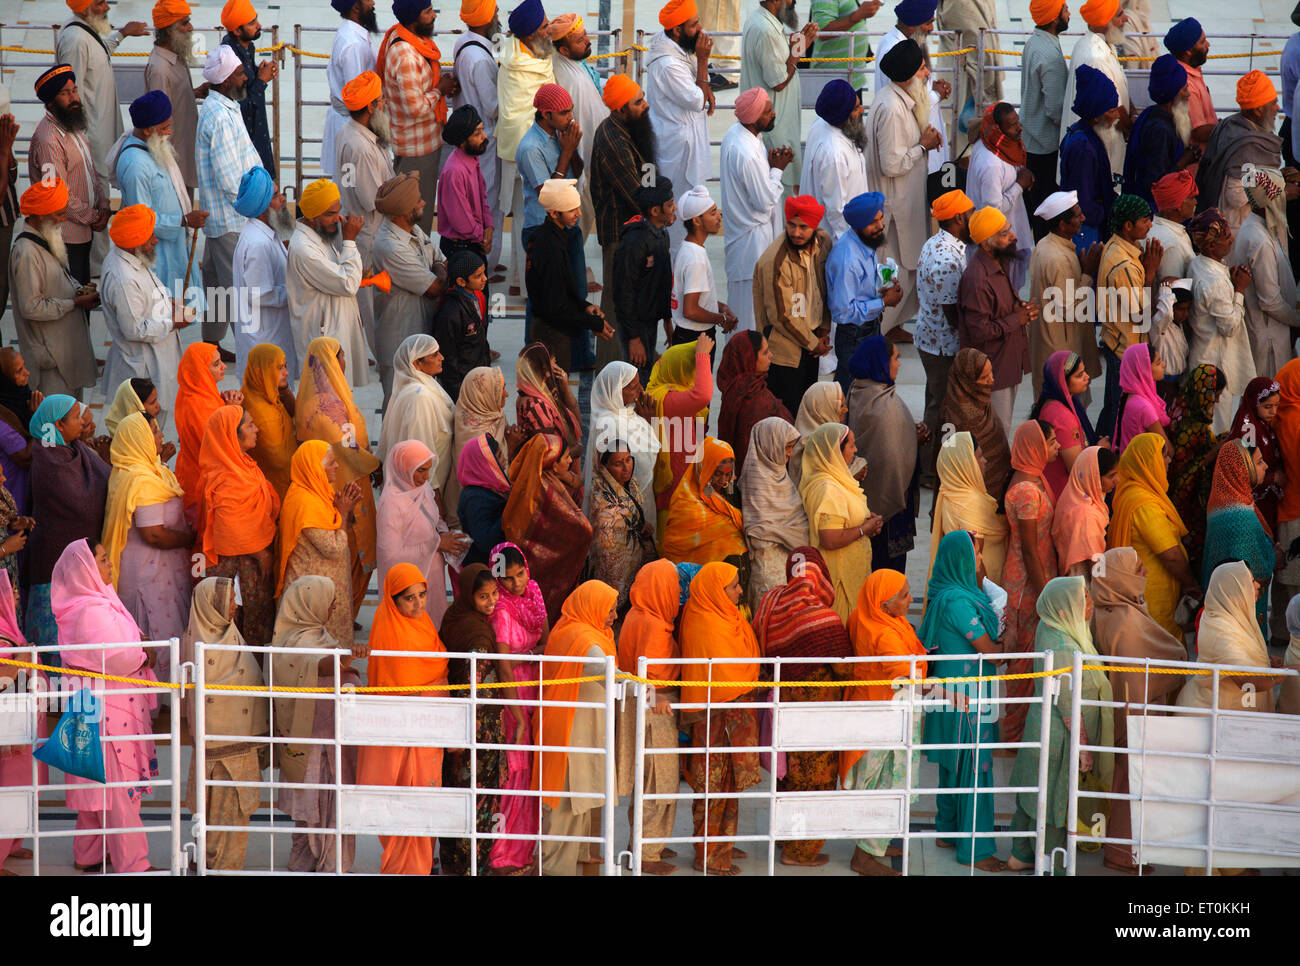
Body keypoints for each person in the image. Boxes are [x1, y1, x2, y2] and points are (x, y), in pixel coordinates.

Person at [53, 539, 157, 874]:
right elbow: (119, 655)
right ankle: (133, 864)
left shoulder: (92, 604)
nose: (109, 564)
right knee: (119, 791)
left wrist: (140, 648)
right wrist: (145, 654)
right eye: (102, 559)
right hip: (107, 713)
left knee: (97, 789)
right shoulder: (89, 611)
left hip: (94, 707)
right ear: (85, 569)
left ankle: (89, 855)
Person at [1088, 545, 1188, 872]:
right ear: (1119, 576)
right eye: (1138, 568)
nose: (1144, 574)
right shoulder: (1125, 620)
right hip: (1134, 714)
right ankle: (1124, 855)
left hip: (1122, 711)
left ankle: (1125, 850)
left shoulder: (1108, 608)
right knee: (1134, 781)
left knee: (1128, 780)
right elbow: (1165, 661)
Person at [1006, 576, 1114, 873]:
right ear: (1064, 609)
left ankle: (1022, 854)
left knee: (1035, 795)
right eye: (1084, 600)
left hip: (1047, 730)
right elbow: (1067, 702)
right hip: (1061, 739)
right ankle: (1047, 860)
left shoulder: (1051, 626)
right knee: (1054, 800)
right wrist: (1084, 749)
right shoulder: (1062, 644)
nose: (1090, 605)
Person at [754, 546, 851, 867]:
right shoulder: (823, 618)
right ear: (819, 574)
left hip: (782, 711)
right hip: (816, 722)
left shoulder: (770, 604)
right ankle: (800, 852)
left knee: (788, 777)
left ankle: (784, 837)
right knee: (815, 781)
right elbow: (844, 669)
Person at [919, 530, 1007, 871]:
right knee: (974, 768)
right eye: (974, 555)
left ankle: (947, 830)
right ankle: (977, 849)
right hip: (965, 699)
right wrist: (1006, 640)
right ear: (962, 561)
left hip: (948, 692)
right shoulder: (958, 601)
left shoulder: (943, 592)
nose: (978, 561)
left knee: (952, 766)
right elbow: (992, 651)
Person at [357, 562, 449, 874]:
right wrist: (431, 688)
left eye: (422, 595)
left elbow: (437, 671)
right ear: (393, 599)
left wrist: (433, 688)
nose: (419, 603)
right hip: (399, 732)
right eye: (410, 598)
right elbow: (399, 681)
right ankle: (402, 867)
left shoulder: (425, 624)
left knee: (425, 799)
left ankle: (421, 866)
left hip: (426, 731)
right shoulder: (387, 628)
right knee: (399, 800)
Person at [268, 574, 359, 873]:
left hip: (330, 738)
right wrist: (345, 658)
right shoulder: (294, 640)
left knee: (330, 799)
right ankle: (312, 858)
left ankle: (330, 860)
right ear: (311, 603)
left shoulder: (319, 634)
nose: (333, 607)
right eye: (329, 600)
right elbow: (315, 663)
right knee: (311, 802)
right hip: (311, 742)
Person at [841, 567, 926, 876]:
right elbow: (910, 675)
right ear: (884, 605)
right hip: (884, 716)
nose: (911, 598)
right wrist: (951, 691)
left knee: (875, 779)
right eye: (903, 595)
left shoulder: (865, 617)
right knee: (884, 781)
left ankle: (874, 841)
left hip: (870, 708)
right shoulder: (885, 633)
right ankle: (863, 858)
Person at [181, 574, 267, 870]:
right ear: (212, 605)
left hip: (238, 751)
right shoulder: (194, 643)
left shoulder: (230, 633)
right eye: (229, 600)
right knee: (215, 821)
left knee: (229, 822)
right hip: (219, 751)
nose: (235, 605)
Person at [679, 561, 761, 875]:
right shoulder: (705, 622)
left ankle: (722, 842)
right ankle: (709, 855)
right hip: (714, 718)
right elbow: (728, 673)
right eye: (734, 586)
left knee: (728, 784)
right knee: (713, 784)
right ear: (716, 590)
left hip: (726, 715)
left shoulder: (721, 615)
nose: (740, 591)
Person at [536, 579, 617, 876]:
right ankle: (556, 870)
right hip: (570, 733)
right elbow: (605, 669)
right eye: (609, 609)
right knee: (566, 806)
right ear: (592, 606)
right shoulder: (581, 637)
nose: (614, 616)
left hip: (576, 730)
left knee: (575, 803)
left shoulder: (579, 629)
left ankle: (576, 860)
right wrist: (639, 681)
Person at [296, 337, 379, 610]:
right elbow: (349, 451)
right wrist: (376, 463)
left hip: (329, 486)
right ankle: (342, 613)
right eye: (341, 356)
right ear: (334, 361)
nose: (345, 362)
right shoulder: (328, 406)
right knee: (352, 551)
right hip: (345, 488)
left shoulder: (308, 397)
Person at [102, 411, 192, 660]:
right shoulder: (141, 480)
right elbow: (153, 534)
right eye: (154, 431)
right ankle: (159, 698)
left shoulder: (146, 471)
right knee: (159, 643)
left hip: (161, 576)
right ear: (139, 438)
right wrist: (189, 539)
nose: (161, 434)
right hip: (150, 580)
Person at [867, 39, 941, 339]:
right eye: (923, 68)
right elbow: (891, 164)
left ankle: (893, 326)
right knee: (896, 271)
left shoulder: (899, 99)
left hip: (907, 201)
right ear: (910, 75)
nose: (926, 74)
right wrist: (922, 147)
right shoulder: (892, 109)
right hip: (895, 208)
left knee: (908, 268)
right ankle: (878, 331)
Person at [437, 561, 506, 876]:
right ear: (469, 596)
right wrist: (473, 732)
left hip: (456, 724)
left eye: (494, 594)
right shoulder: (477, 633)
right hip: (477, 729)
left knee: (456, 793)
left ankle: (452, 862)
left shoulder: (454, 617)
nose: (491, 602)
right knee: (478, 799)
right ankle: (473, 867)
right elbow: (474, 688)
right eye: (484, 597)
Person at [614, 558, 682, 875]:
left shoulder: (635, 616)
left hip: (640, 705)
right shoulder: (654, 625)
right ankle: (647, 853)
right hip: (656, 709)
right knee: (660, 781)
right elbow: (650, 674)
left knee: (647, 780)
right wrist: (656, 699)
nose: (678, 590)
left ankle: (642, 842)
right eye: (674, 584)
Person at [112, 91, 206, 311]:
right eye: (164, 127)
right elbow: (141, 222)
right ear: (147, 130)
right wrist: (183, 220)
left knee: (175, 314)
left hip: (172, 248)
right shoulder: (136, 165)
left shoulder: (150, 148)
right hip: (157, 255)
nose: (169, 132)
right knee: (161, 312)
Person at [26, 398, 110, 642]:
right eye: (75, 417)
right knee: (55, 642)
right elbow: (80, 504)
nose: (83, 421)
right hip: (53, 561)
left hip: (79, 559)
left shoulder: (73, 447)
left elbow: (103, 479)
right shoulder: (48, 455)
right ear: (58, 425)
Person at [197, 405, 282, 645]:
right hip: (235, 569)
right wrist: (261, 554)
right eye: (249, 425)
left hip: (251, 567)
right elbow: (227, 530)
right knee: (233, 631)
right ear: (231, 436)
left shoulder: (243, 465)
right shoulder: (223, 477)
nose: (257, 429)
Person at [195, 46, 260, 358]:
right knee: (239, 293)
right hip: (231, 219)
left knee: (217, 286)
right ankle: (252, 353)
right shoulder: (219, 117)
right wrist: (257, 206)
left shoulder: (224, 106)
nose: (244, 76)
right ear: (224, 80)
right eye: (238, 73)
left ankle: (210, 346)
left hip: (224, 219)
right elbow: (231, 180)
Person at [99, 206, 190, 426]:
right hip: (144, 369)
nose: (155, 241)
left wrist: (171, 304)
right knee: (145, 437)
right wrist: (173, 322)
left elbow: (147, 297)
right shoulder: (124, 278)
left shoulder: (133, 258)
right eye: (149, 236)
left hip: (157, 363)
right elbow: (135, 329)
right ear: (134, 241)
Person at [486, 540, 546, 874]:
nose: (516, 583)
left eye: (520, 573)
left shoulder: (534, 595)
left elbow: (546, 640)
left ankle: (524, 849)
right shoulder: (501, 609)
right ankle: (504, 854)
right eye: (507, 579)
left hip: (535, 687)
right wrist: (517, 716)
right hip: (514, 696)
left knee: (531, 770)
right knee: (515, 770)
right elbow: (505, 666)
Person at [8, 179, 98, 397]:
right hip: (51, 357)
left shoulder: (47, 236)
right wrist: (74, 303)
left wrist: (78, 289)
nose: (64, 219)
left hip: (66, 351)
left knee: (75, 421)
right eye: (59, 214)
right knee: (59, 423)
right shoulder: (26, 253)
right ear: (39, 216)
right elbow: (31, 307)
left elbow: (58, 279)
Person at [1001, 420, 1061, 743]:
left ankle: (1018, 735)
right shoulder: (1026, 490)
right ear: (1035, 447)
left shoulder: (1031, 476)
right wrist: (1045, 594)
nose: (1057, 447)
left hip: (1031, 579)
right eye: (1051, 442)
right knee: (1023, 666)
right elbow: (1028, 549)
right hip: (1026, 584)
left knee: (1027, 660)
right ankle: (1012, 737)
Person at [1109, 432, 1198, 638]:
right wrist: (1190, 583)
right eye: (1163, 456)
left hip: (1145, 594)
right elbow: (1171, 554)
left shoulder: (1132, 492)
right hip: (1152, 598)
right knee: (1158, 654)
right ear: (1148, 462)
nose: (1169, 460)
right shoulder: (1144, 504)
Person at [277, 441, 361, 655]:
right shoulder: (305, 504)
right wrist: (342, 513)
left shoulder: (319, 493)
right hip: (311, 599)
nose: (337, 467)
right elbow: (333, 548)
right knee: (316, 663)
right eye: (331, 462)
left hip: (326, 596)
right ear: (314, 467)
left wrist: (345, 510)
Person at [848, 335, 924, 572]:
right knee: (888, 575)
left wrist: (911, 436)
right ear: (880, 363)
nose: (899, 364)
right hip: (890, 509)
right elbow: (890, 456)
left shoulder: (858, 391)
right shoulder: (884, 406)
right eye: (895, 358)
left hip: (867, 506)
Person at [27, 67, 109, 285]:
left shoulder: (73, 126)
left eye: (74, 90)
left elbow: (90, 172)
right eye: (65, 93)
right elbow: (57, 196)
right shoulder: (49, 140)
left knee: (83, 293)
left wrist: (103, 205)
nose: (74, 98)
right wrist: (93, 216)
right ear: (51, 102)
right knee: (72, 296)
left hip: (84, 230)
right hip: (66, 236)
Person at [496, 0, 555, 296]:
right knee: (531, 216)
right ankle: (530, 284)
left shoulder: (519, 55)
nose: (550, 30)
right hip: (528, 150)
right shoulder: (517, 65)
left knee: (524, 215)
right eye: (545, 26)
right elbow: (516, 111)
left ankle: (519, 281)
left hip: (520, 147)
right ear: (531, 34)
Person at [591, 74, 654, 351]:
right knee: (616, 307)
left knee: (631, 301)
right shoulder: (614, 141)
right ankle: (610, 374)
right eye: (638, 102)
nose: (646, 105)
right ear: (620, 109)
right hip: (619, 235)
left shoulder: (629, 128)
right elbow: (638, 194)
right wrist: (661, 207)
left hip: (631, 232)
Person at [378, 0, 452, 235]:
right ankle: (416, 268)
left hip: (420, 143)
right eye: (428, 12)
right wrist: (440, 89)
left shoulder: (406, 37)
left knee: (417, 212)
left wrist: (440, 87)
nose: (433, 16)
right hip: (416, 149)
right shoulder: (406, 54)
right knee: (416, 216)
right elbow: (416, 107)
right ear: (413, 19)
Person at [371, 172, 447, 403]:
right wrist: (439, 271)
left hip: (420, 338)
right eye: (418, 201)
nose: (424, 203)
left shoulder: (412, 229)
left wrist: (439, 268)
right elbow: (435, 287)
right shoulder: (390, 246)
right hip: (399, 343)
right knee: (398, 407)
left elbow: (441, 260)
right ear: (405, 211)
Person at [645, 0, 714, 252]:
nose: (700, 28)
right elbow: (697, 99)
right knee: (677, 213)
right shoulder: (668, 64)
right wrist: (703, 61)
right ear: (676, 30)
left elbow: (699, 88)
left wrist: (705, 83)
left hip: (683, 144)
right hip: (676, 150)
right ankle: (675, 277)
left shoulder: (676, 47)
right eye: (694, 25)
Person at [754, 196, 832, 417]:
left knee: (805, 412)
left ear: (815, 227)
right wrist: (813, 343)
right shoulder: (776, 261)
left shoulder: (823, 243)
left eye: (803, 227)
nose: (796, 233)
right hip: (784, 353)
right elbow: (781, 316)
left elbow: (823, 288)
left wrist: (823, 328)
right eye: (791, 225)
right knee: (786, 416)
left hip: (812, 343)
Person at [335, 70, 395, 355]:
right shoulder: (361, 147)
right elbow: (374, 199)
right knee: (371, 301)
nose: (384, 105)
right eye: (380, 101)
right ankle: (378, 353)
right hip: (369, 230)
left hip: (358, 225)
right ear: (370, 107)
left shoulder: (349, 132)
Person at [915, 190, 974, 483]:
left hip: (932, 340)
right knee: (942, 410)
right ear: (960, 218)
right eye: (971, 212)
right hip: (942, 345)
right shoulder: (947, 258)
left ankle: (928, 465)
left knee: (935, 405)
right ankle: (929, 471)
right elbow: (951, 310)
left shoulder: (937, 243)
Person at [958, 206, 1035, 429]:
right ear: (985, 243)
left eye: (1009, 229)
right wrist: (1016, 319)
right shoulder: (977, 278)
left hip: (1006, 364)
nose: (1013, 236)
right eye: (1004, 233)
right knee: (994, 437)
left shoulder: (998, 262)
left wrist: (1019, 309)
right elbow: (979, 331)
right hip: (992, 372)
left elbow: (997, 309)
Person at [56, 1, 146, 189]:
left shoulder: (85, 31)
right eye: (100, 3)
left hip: (99, 136)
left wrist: (122, 34)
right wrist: (77, 144)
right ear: (84, 8)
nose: (107, 7)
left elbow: (99, 51)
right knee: (96, 198)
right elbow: (70, 93)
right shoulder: (75, 40)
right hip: (91, 140)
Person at [525, 178, 614, 369]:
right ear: (554, 213)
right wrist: (593, 323)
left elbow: (562, 290)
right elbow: (555, 307)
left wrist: (584, 306)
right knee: (551, 390)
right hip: (550, 332)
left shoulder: (552, 236)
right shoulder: (549, 246)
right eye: (572, 210)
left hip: (552, 327)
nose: (579, 214)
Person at [286, 179, 368, 386]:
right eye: (330, 214)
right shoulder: (305, 249)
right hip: (323, 335)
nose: (338, 219)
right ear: (312, 217)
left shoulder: (319, 235)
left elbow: (341, 275)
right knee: (327, 402)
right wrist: (349, 240)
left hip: (334, 331)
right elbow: (347, 284)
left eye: (338, 211)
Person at [503, 434, 592, 620]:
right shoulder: (547, 491)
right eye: (566, 457)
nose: (570, 461)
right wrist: (563, 493)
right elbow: (584, 529)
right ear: (552, 463)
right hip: (545, 574)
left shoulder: (529, 481)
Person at [1097, 194, 1164, 441]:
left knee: (1112, 409)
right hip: (1124, 351)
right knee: (1118, 414)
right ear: (1128, 226)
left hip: (1118, 344)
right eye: (1145, 221)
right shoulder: (1124, 265)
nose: (1150, 226)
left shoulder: (1120, 247)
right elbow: (1140, 316)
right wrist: (1151, 273)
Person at [379, 440, 467, 626]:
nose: (426, 477)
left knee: (432, 626)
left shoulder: (422, 489)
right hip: (409, 586)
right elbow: (391, 555)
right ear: (404, 468)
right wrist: (436, 544)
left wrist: (445, 534)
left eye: (428, 469)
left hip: (431, 576)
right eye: (420, 470)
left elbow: (433, 517)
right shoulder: (392, 504)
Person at [1185, 208, 1254, 434]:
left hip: (1202, 357)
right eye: (1226, 237)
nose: (1231, 239)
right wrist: (1240, 290)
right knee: (1217, 429)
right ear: (1211, 246)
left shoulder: (1198, 264)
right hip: (1215, 365)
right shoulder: (1214, 281)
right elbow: (1231, 326)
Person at [1028, 192, 1104, 394]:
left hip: (1052, 346)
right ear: (1062, 224)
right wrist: (1088, 273)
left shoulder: (1045, 245)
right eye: (1078, 215)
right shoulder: (1057, 258)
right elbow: (1070, 309)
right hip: (1060, 351)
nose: (1084, 218)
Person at [827, 192, 901, 394]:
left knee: (868, 390)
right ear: (858, 225)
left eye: (880, 218)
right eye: (873, 222)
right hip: (854, 336)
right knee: (851, 394)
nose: (880, 226)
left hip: (868, 329)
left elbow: (861, 291)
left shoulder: (864, 242)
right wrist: (883, 302)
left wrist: (883, 293)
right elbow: (843, 312)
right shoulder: (848, 259)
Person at [800, 422, 875, 620]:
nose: (856, 450)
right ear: (836, 452)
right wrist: (863, 530)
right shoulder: (827, 489)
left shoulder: (838, 481)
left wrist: (867, 522)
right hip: (838, 577)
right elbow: (830, 538)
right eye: (851, 445)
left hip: (851, 572)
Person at [1182, 561, 1277, 714]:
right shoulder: (1221, 629)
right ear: (1234, 589)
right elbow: (1247, 680)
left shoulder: (1230, 616)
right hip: (1213, 717)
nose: (1258, 585)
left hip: (1230, 711)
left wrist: (1267, 665)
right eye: (1251, 581)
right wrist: (1286, 672)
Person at [1197, 71, 1286, 235]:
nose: (1277, 108)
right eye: (1273, 103)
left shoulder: (1231, 123)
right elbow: (1236, 195)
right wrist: (1280, 189)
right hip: (1239, 228)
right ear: (1259, 110)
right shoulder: (1246, 144)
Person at [739, 0, 815, 194]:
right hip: (775, 128)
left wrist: (796, 46)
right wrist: (799, 49)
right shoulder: (766, 30)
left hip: (777, 124)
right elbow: (778, 82)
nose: (793, 1)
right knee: (780, 192)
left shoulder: (762, 21)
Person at [1231, 166, 1299, 377]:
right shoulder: (1258, 239)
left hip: (1273, 331)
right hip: (1268, 338)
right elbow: (1269, 300)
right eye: (1281, 192)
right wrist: (1297, 319)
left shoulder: (1261, 228)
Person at [453, 0, 503, 273]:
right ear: (485, 19)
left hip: (472, 136)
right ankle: (486, 264)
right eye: (495, 12)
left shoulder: (463, 44)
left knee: (478, 198)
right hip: (483, 139)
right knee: (487, 200)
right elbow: (493, 107)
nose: (498, 17)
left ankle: (486, 260)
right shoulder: (481, 59)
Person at [1203, 440, 1274, 630]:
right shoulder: (1240, 516)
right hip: (1239, 614)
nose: (1265, 466)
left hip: (1220, 610)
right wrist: (1277, 556)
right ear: (1243, 468)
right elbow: (1256, 569)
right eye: (1259, 462)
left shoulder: (1220, 502)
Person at [376, 334, 454, 506]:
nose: (441, 358)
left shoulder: (421, 387)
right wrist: (433, 498)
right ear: (416, 363)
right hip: (422, 494)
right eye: (434, 355)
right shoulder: (420, 398)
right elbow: (421, 450)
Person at [646, 337, 715, 530]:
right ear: (680, 370)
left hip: (683, 484)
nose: (697, 375)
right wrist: (702, 356)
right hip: (674, 488)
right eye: (693, 370)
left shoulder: (674, 391)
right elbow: (703, 395)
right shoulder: (667, 398)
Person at [230, 166, 294, 377]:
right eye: (276, 196)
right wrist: (298, 294)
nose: (283, 199)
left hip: (271, 337)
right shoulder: (257, 243)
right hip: (264, 342)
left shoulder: (266, 235)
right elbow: (259, 293)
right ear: (263, 206)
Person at [872, 0, 947, 176]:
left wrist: (930, 87)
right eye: (928, 23)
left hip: (922, 136)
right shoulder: (894, 49)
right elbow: (904, 99)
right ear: (913, 25)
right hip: (909, 142)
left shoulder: (907, 42)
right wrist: (936, 95)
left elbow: (913, 88)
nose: (931, 29)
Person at [738, 416, 807, 607]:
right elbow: (761, 533)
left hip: (791, 569)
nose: (791, 454)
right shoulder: (756, 484)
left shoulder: (782, 477)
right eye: (786, 447)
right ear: (770, 445)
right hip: (769, 575)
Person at [966, 104, 1034, 289]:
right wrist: (1020, 184)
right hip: (997, 244)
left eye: (1018, 122)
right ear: (997, 129)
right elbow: (992, 210)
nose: (1019, 128)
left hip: (1008, 235)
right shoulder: (992, 164)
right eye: (1012, 125)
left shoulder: (989, 143)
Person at [611, 178, 676, 373]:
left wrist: (666, 320)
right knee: (636, 381)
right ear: (655, 211)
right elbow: (623, 293)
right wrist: (634, 338)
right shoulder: (634, 243)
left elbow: (664, 281)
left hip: (650, 321)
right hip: (635, 325)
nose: (674, 209)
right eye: (670, 205)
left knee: (646, 377)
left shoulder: (661, 235)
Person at [1167, 363, 1228, 568]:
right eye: (1215, 394)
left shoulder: (1188, 411)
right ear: (1204, 393)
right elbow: (1183, 474)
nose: (1217, 400)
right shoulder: (1188, 427)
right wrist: (1216, 449)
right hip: (1185, 512)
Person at [586, 361, 658, 530]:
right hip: (618, 509)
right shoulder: (608, 422)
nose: (641, 390)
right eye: (633, 387)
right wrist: (649, 424)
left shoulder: (627, 413)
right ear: (616, 391)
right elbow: (639, 465)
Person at [931, 431, 1010, 584]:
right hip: (983, 589)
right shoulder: (969, 503)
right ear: (966, 463)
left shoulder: (950, 494)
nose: (985, 461)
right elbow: (974, 563)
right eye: (979, 456)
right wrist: (984, 600)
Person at [1058, 65, 1123, 246]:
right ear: (1096, 117)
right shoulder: (1084, 148)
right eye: (1111, 111)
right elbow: (1085, 203)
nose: (1117, 116)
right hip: (1086, 233)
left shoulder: (1079, 133)